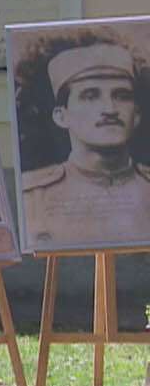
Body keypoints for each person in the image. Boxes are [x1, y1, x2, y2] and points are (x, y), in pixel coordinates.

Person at [20, 36, 150, 247]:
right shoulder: (34, 196)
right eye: (90, 96)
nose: (110, 109)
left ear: (136, 115)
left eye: (122, 95)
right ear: (61, 116)